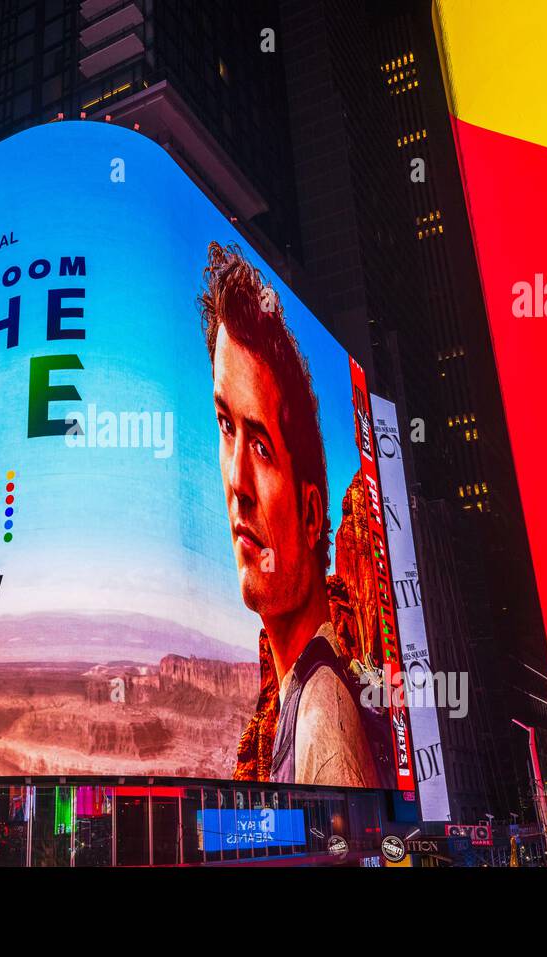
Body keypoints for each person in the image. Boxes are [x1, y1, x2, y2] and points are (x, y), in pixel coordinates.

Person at [199, 241, 377, 788]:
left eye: (262, 447)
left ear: (310, 512)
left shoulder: (323, 713)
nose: (236, 482)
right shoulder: (297, 697)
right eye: (227, 426)